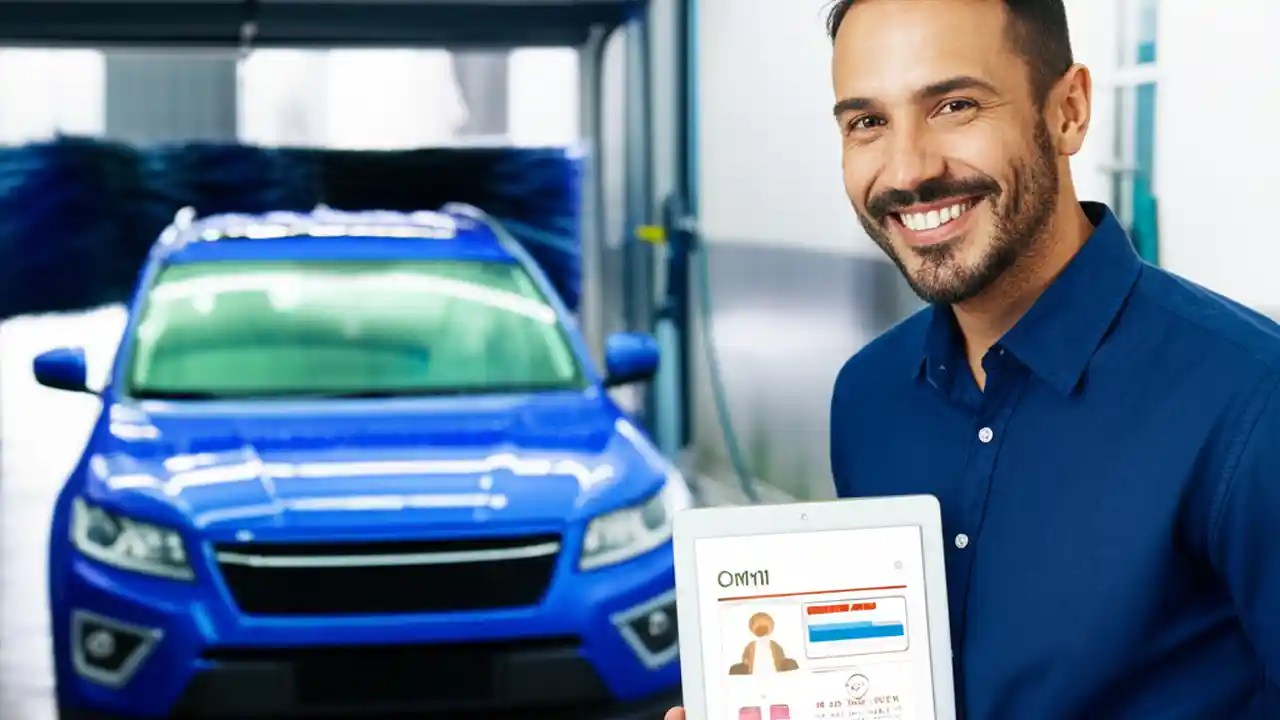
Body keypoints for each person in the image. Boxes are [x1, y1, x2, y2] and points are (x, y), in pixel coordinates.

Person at [665, 0, 1280, 718]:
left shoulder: (1250, 401)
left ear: (1069, 112)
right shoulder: (869, 397)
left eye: (954, 105)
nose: (908, 171)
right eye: (867, 122)